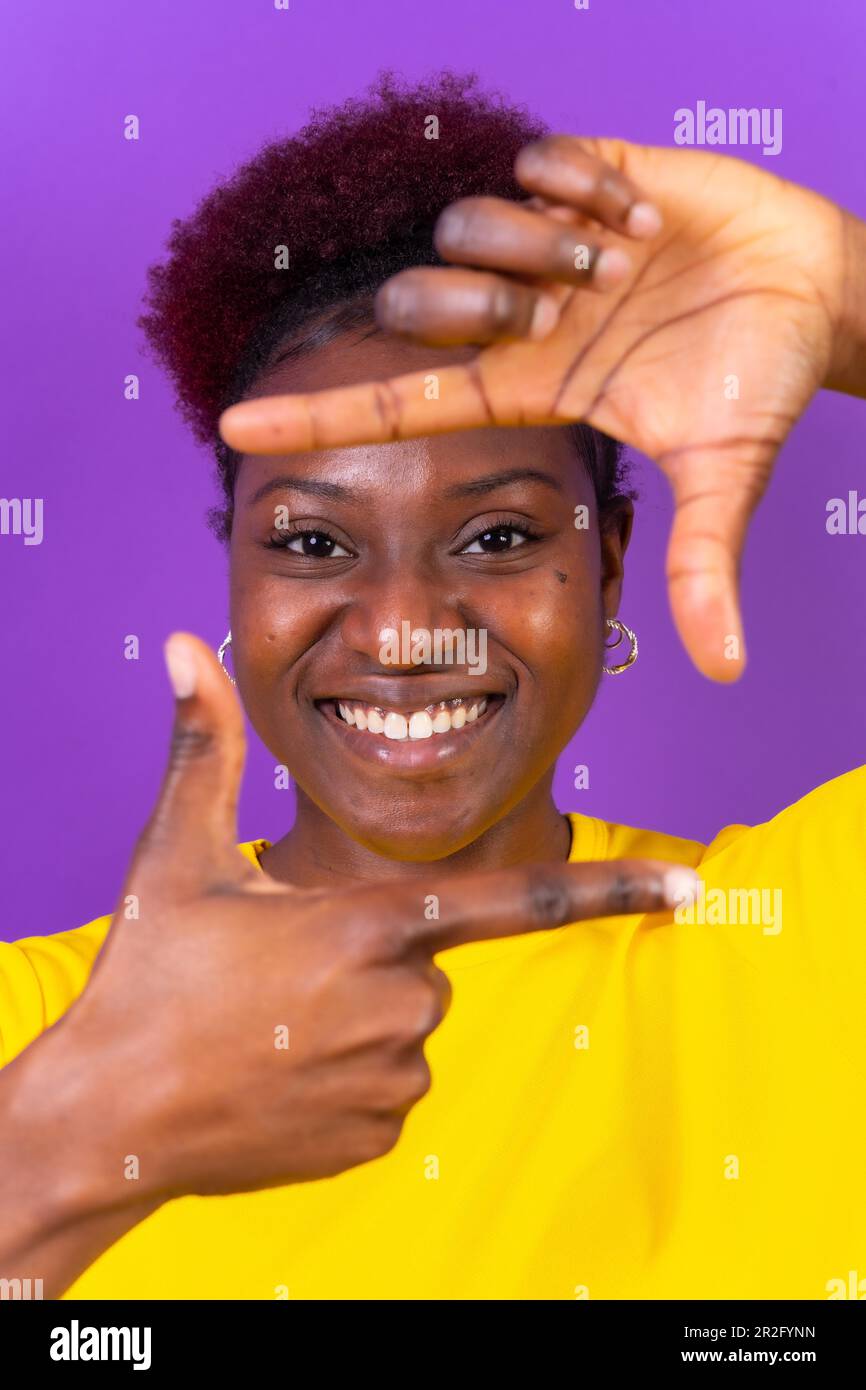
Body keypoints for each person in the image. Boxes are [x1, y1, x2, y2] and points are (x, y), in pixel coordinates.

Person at [1, 71, 864, 1301]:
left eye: (499, 538)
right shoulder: (39, 1031)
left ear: (606, 564)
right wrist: (76, 1139)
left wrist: (843, 298)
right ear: (234, 581)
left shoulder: (814, 934)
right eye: (311, 542)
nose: (405, 631)